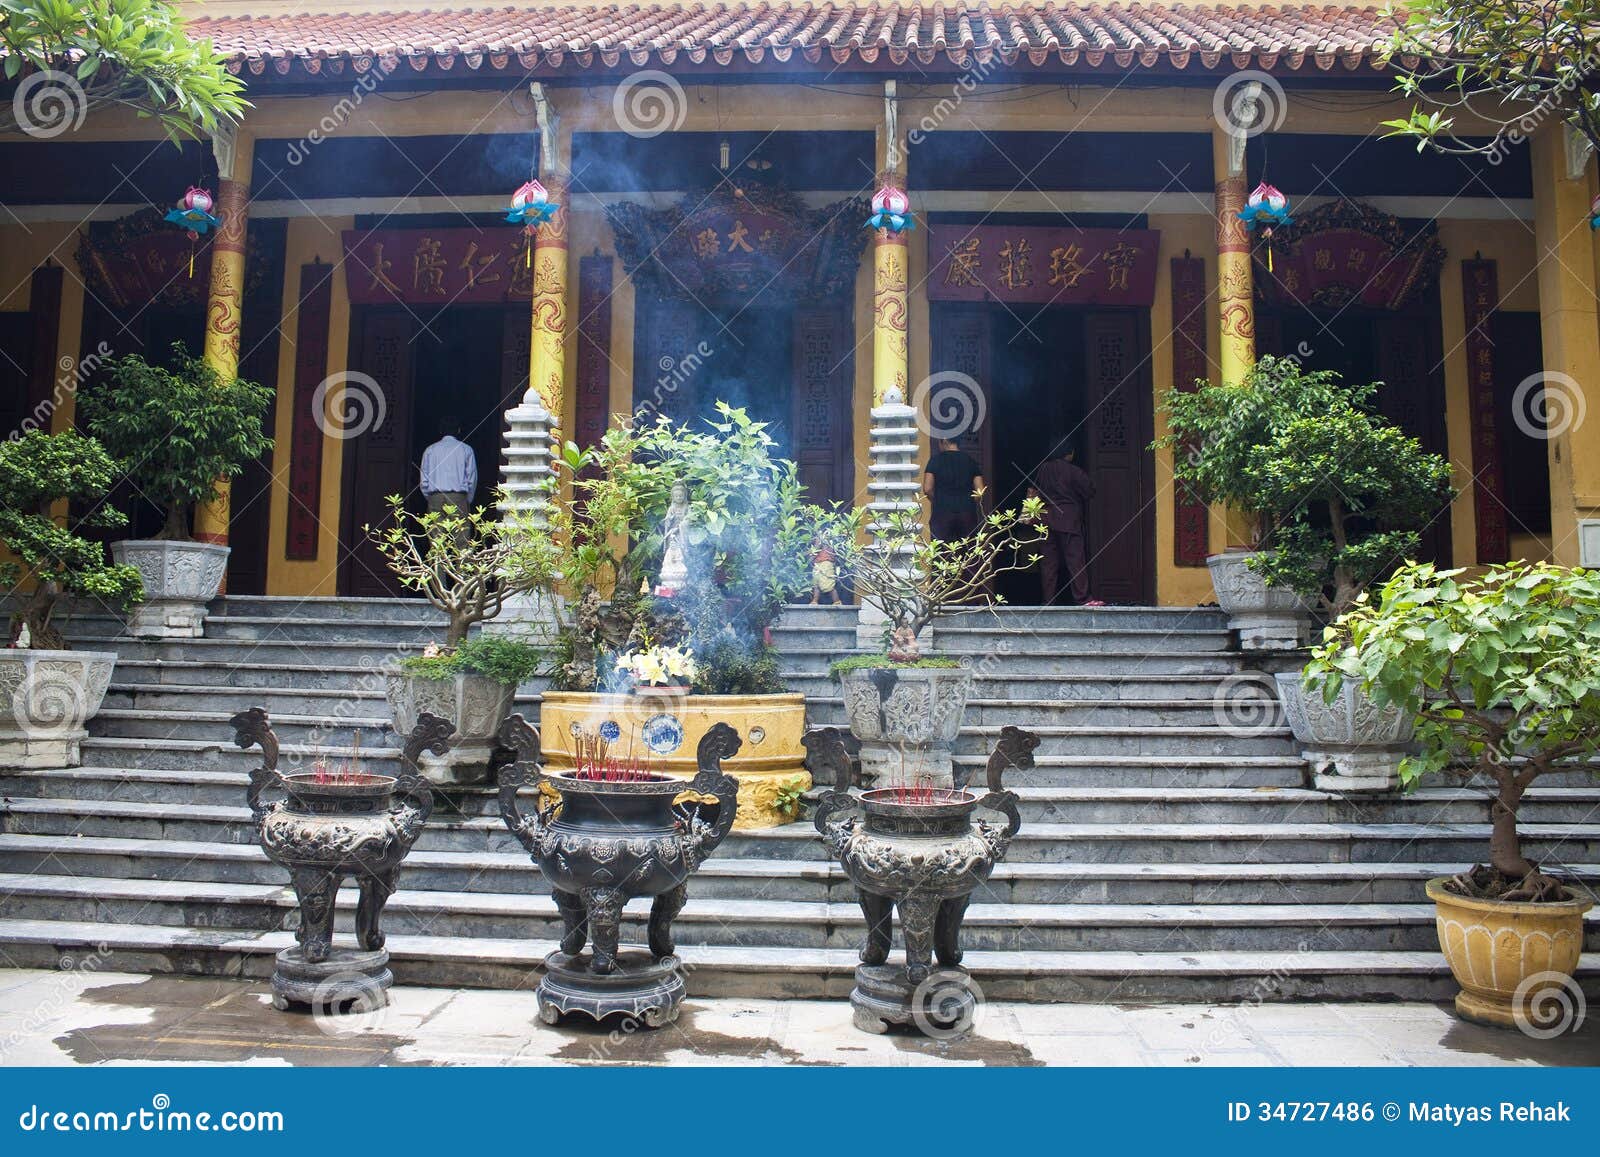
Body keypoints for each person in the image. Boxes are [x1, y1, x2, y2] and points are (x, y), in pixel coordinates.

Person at [1032, 447, 1102, 606]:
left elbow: (1034, 490)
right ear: (1069, 453)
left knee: (1048, 564)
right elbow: (1090, 490)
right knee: (1075, 561)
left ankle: (1048, 601)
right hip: (1069, 520)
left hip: (1046, 520)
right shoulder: (1073, 471)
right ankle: (1082, 598)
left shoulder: (1043, 469)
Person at [923, 437, 984, 541]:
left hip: (942, 513)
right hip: (967, 513)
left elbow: (927, 488)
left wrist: (939, 500)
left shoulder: (935, 461)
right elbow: (980, 491)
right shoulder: (970, 461)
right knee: (967, 549)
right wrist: (968, 501)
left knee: (942, 551)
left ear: (944, 440)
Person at [419, 416, 478, 516]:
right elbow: (471, 478)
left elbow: (424, 480)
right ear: (459, 430)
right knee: (460, 530)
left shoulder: (430, 450)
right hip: (458, 498)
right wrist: (467, 500)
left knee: (436, 530)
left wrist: (431, 498)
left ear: (441, 430)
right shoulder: (466, 449)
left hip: (435, 497)